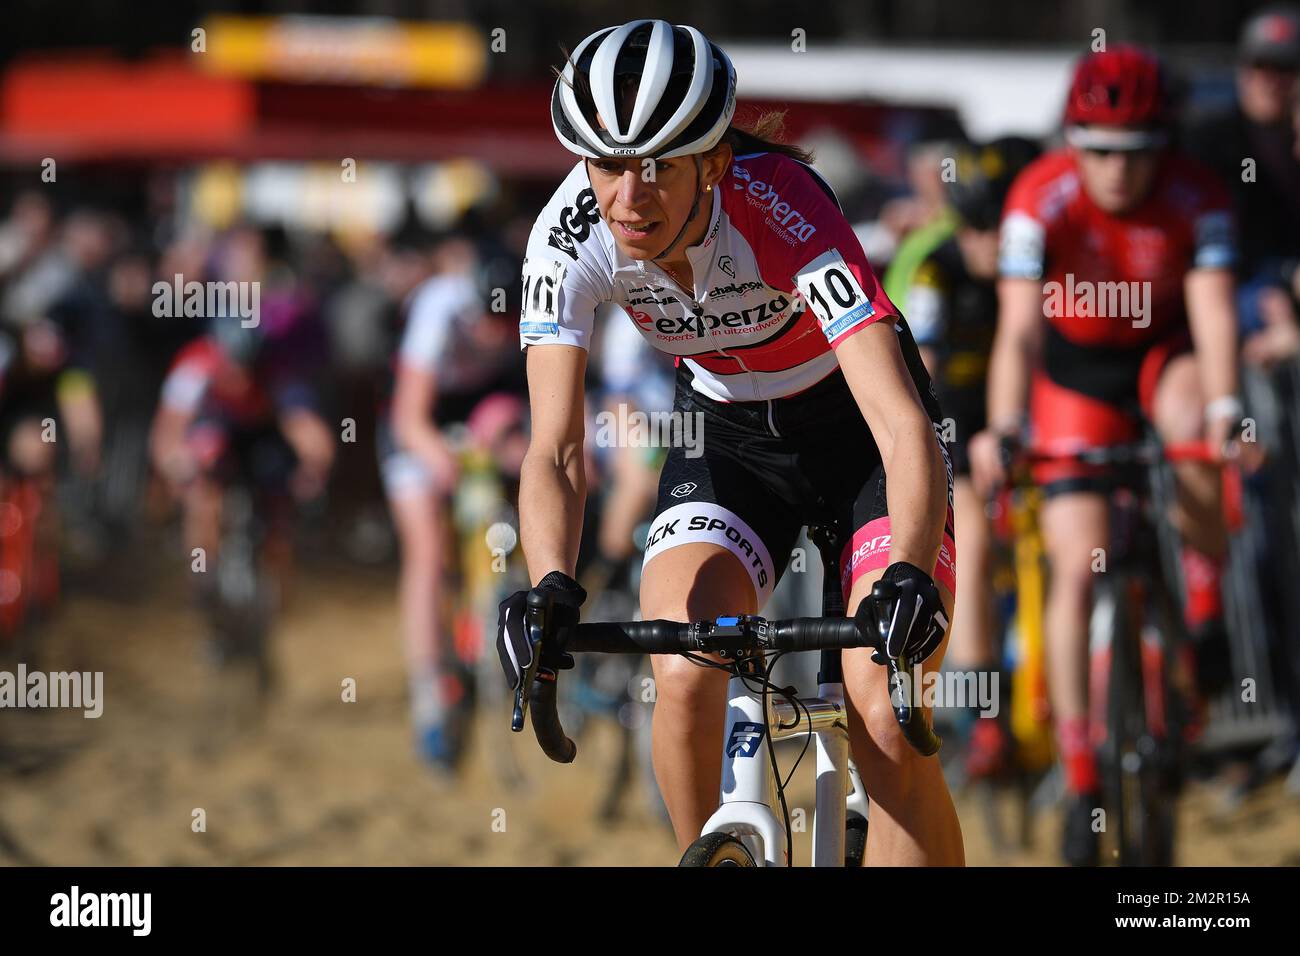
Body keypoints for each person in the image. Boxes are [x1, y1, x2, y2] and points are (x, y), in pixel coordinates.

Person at [498, 19, 962, 865]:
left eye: (658, 168)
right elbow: (557, 451)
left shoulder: (783, 206)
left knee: (880, 717)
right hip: (727, 437)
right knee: (679, 663)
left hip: (859, 437)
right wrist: (551, 586)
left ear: (712, 162)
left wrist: (911, 572)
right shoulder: (567, 237)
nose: (627, 199)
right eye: (604, 165)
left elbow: (899, 420)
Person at [967, 46, 1241, 865]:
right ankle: (1081, 775)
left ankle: (1202, 606)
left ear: (1164, 147)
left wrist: (1229, 411)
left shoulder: (1200, 197)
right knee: (1072, 558)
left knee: (1196, 412)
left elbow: (1217, 315)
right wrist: (1005, 426)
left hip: (1165, 357)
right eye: (1096, 151)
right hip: (1075, 374)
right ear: (1071, 144)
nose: (1116, 172)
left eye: (1134, 153)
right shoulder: (1037, 197)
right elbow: (1015, 331)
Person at [906, 136, 1041, 779]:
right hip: (953, 426)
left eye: (1002, 228)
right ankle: (985, 712)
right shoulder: (938, 269)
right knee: (977, 538)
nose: (990, 243)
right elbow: (921, 370)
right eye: (978, 227)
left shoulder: (1036, 267)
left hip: (1025, 425)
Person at [377, 235, 525, 768]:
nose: (493, 333)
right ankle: (429, 695)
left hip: (487, 409)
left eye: (503, 326)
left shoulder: (527, 308)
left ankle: (504, 599)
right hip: (422, 419)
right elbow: (408, 419)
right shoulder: (441, 306)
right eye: (488, 320)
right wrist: (442, 459)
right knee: (428, 548)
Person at [1182, 4, 1300, 367]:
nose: (1271, 82)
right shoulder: (1208, 142)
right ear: (1242, 71)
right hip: (1232, 282)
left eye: (1285, 70)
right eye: (1260, 68)